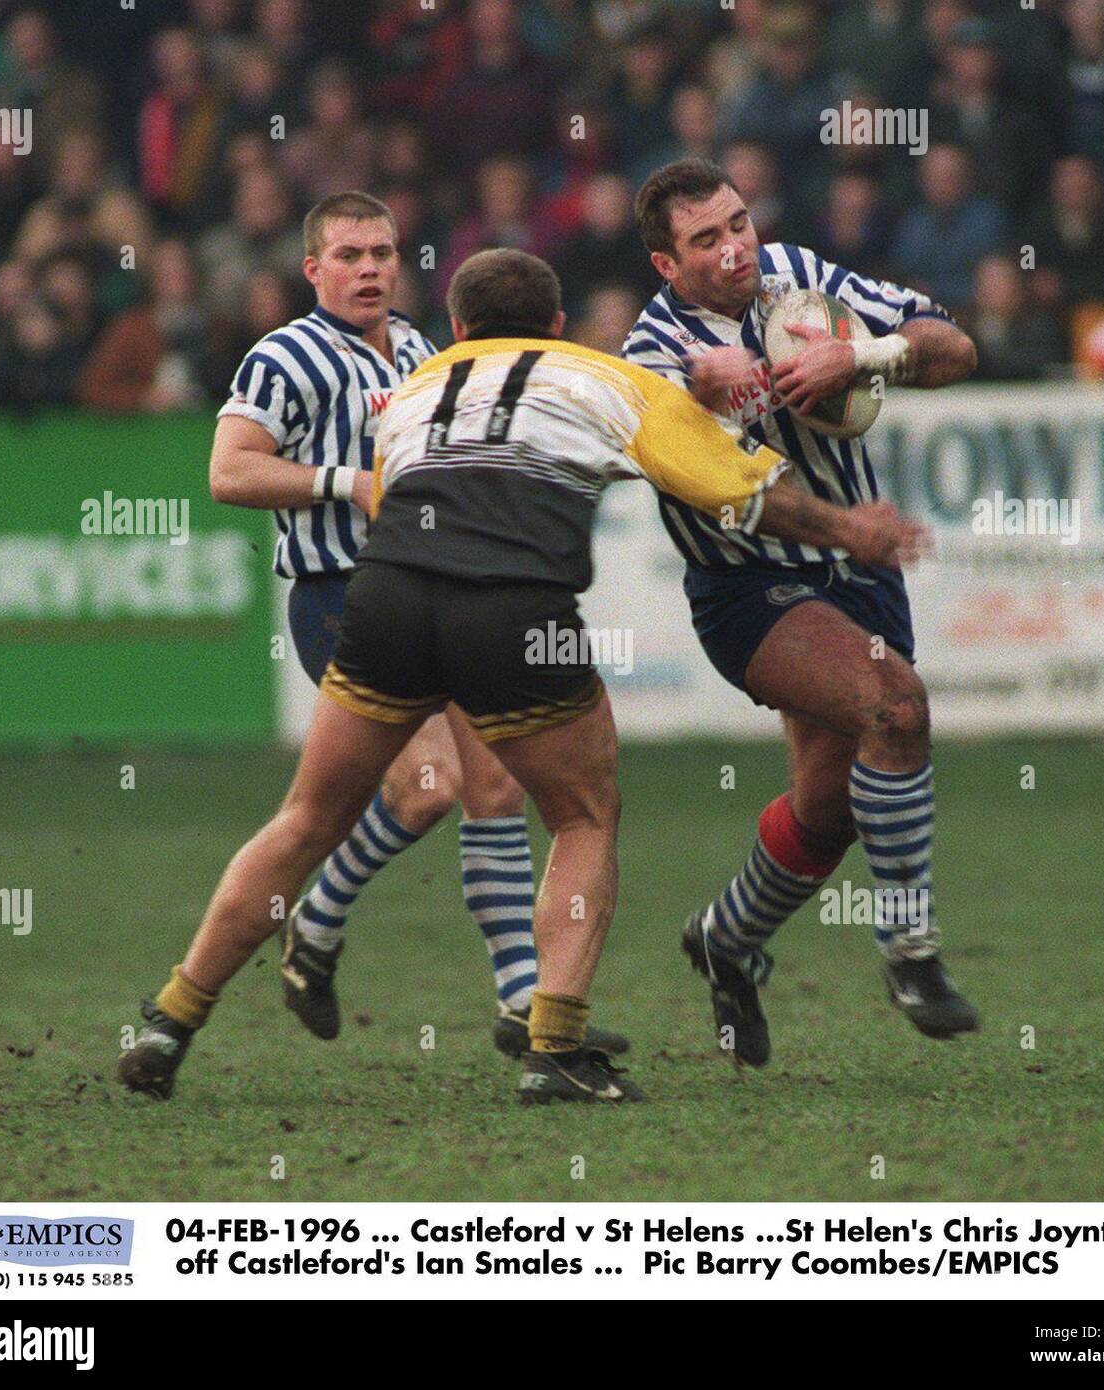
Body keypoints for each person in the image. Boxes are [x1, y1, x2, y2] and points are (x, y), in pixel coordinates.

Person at [118, 246, 928, 1104]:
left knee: (306, 819)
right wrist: (849, 530)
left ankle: (172, 1017)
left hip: (387, 597)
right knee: (583, 814)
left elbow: (396, 494)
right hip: (512, 610)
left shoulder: (414, 389)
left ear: (459, 328)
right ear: (556, 326)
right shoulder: (610, 379)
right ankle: (555, 1047)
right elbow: (738, 495)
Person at [135, 192, 628, 1068]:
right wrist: (346, 484)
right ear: (313, 269)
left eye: (383, 252)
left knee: (496, 791)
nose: (370, 268)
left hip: (446, 591)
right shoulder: (284, 356)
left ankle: (520, 999)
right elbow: (228, 472)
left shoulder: (420, 351)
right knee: (426, 786)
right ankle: (304, 930)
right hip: (343, 596)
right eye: (350, 254)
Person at [622, 158, 981, 1066]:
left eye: (739, 222)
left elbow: (955, 348)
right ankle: (912, 953)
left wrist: (860, 353)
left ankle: (724, 941)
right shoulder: (652, 359)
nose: (736, 247)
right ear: (667, 264)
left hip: (857, 571)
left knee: (833, 809)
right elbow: (732, 492)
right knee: (897, 707)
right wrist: (712, 387)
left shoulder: (803, 280)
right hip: (752, 588)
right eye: (706, 239)